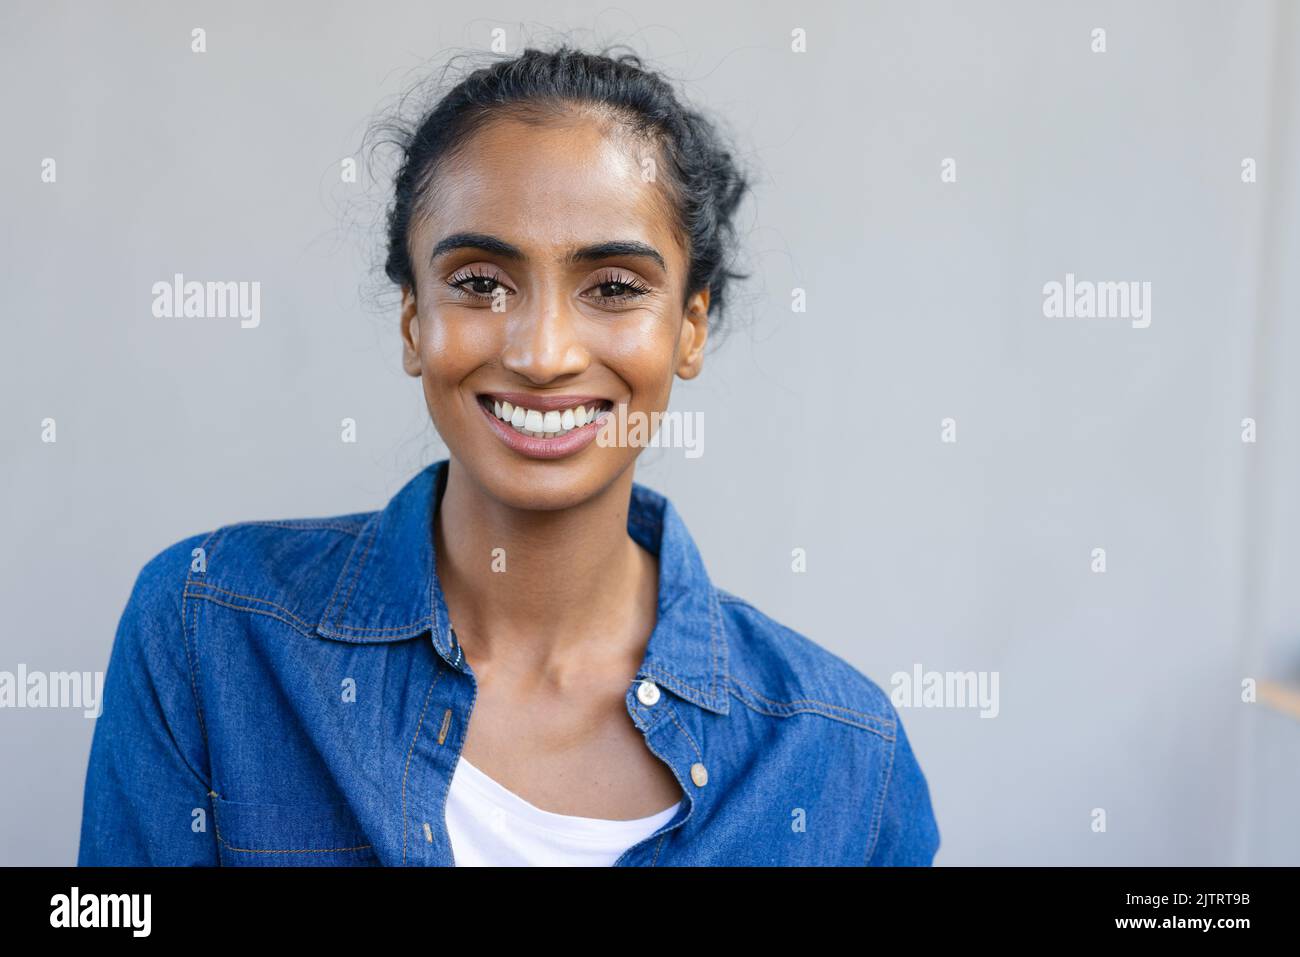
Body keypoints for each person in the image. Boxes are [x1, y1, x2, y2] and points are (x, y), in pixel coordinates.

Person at [78, 44, 940, 866]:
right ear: (415, 320)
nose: (543, 353)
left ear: (690, 326)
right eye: (481, 282)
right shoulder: (209, 628)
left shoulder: (841, 753)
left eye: (613, 287)